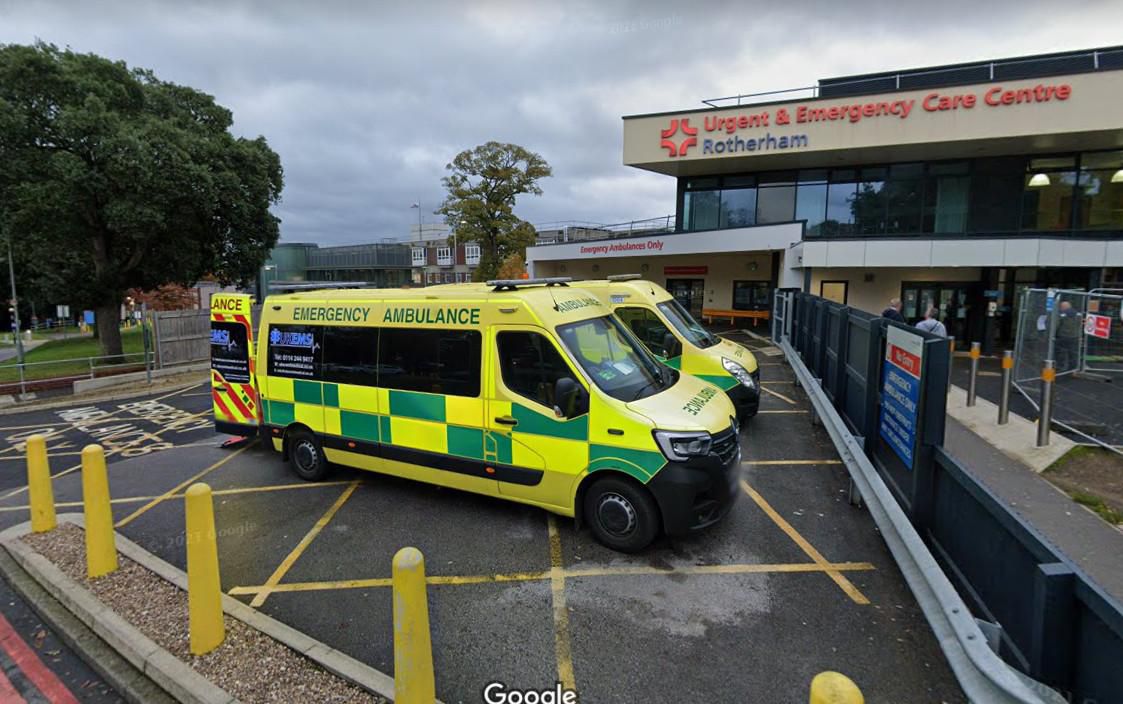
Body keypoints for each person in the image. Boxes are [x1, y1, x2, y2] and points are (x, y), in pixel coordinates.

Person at [1055, 300, 1081, 373]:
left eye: (1061, 307)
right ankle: (1072, 368)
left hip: (1062, 336)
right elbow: (1080, 324)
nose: (1060, 308)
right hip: (1075, 336)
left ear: (1063, 307)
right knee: (1073, 353)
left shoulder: (1062, 314)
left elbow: (1057, 324)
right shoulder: (1078, 314)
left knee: (1060, 352)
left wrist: (1054, 334)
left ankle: (1060, 366)